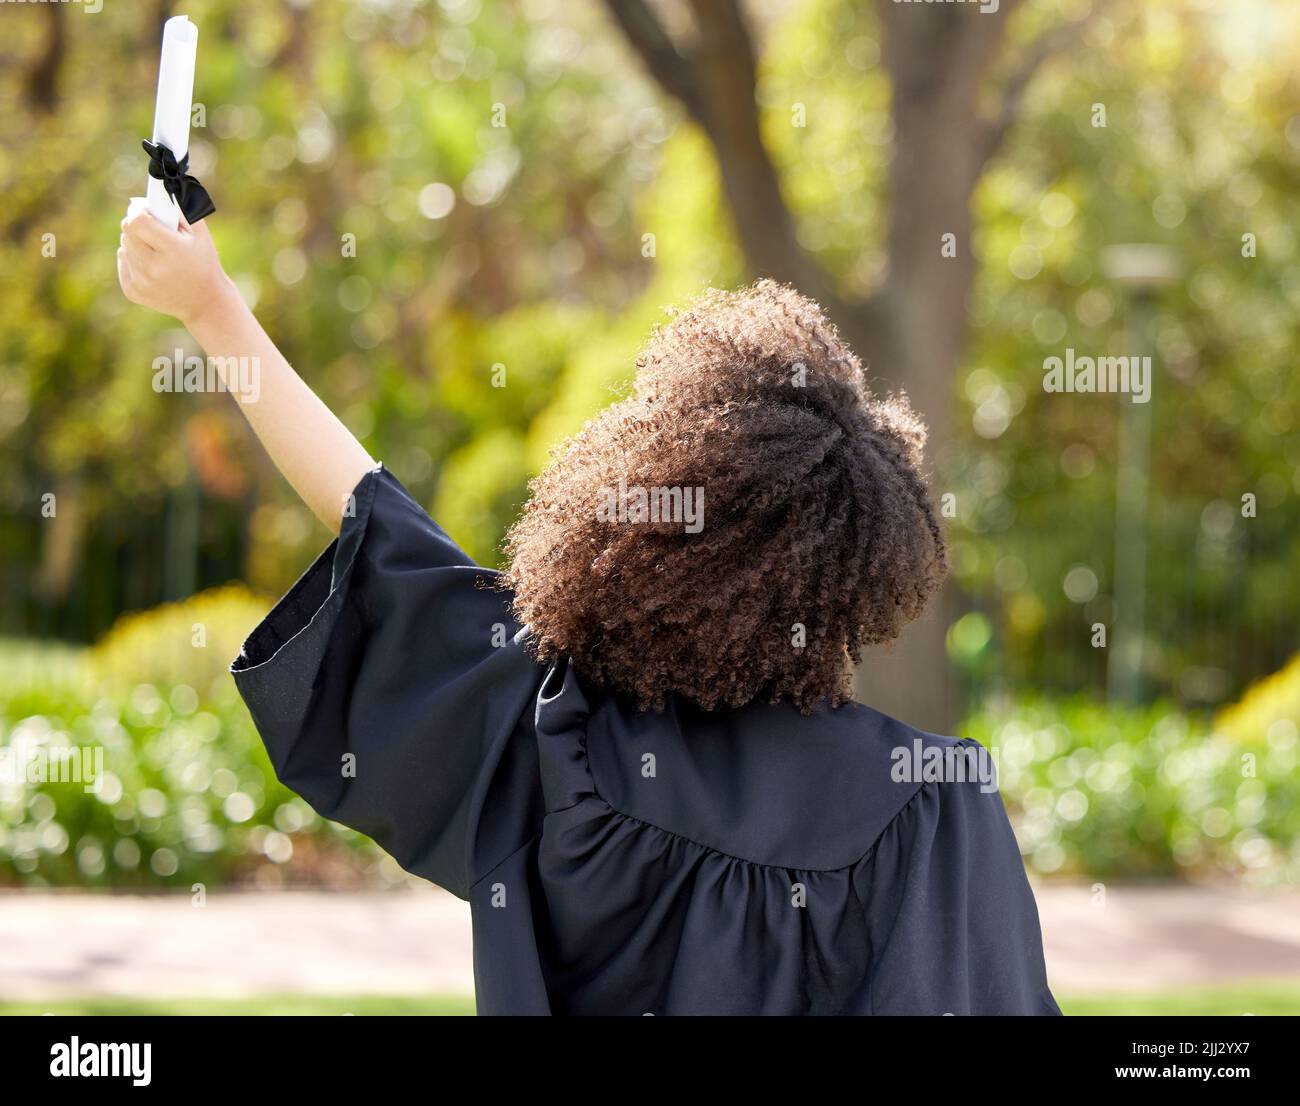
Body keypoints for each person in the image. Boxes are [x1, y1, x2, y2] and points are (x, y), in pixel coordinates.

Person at [117, 207, 1060, 1016]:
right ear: (865, 567)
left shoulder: (559, 743)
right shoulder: (935, 803)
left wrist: (211, 306)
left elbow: (377, 522)